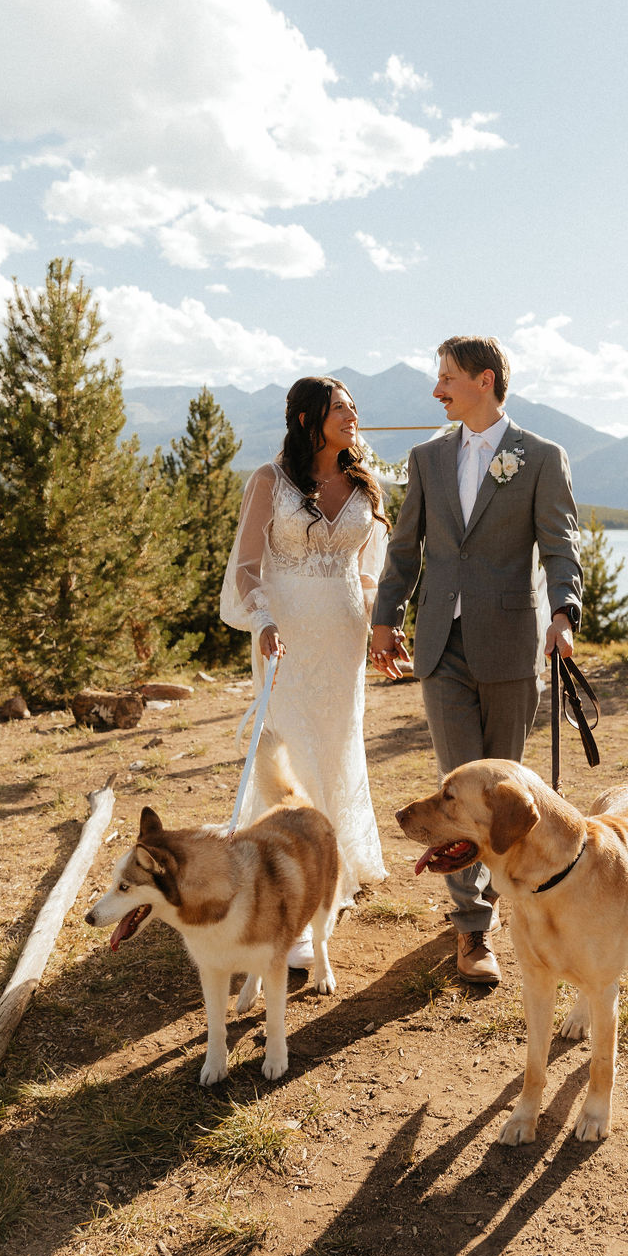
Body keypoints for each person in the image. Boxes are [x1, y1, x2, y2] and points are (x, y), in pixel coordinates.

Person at [371, 335, 582, 985]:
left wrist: (564, 613)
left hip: (513, 645)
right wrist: (385, 617)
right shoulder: (427, 458)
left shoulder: (540, 457)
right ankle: (473, 928)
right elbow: (406, 549)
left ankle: (509, 898)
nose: (438, 390)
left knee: (507, 788)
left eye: (448, 378)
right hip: (441, 646)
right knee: (457, 786)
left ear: (484, 381)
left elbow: (560, 543)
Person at [220, 377, 389, 965]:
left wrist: (374, 627)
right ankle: (283, 871)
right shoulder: (271, 481)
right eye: (340, 407)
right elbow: (245, 565)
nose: (353, 414)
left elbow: (370, 572)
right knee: (288, 746)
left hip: (342, 635)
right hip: (283, 634)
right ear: (304, 419)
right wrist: (263, 619)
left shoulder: (366, 480)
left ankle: (332, 868)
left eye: (352, 406)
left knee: (337, 740)